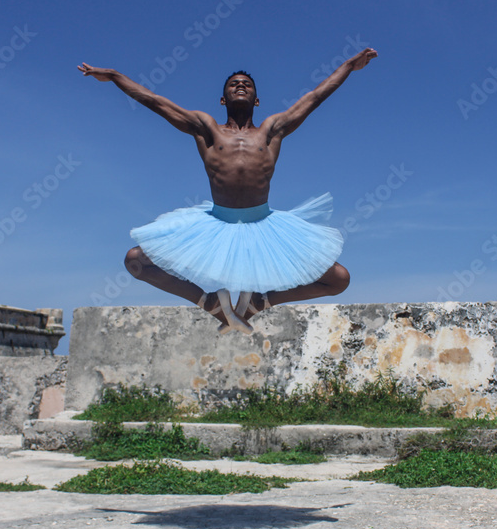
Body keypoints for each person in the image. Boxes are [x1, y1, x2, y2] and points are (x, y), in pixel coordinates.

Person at [78, 47, 378, 334]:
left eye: (246, 84)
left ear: (257, 99)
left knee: (339, 279)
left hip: (264, 225)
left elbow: (314, 97)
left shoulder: (271, 130)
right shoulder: (206, 128)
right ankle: (210, 302)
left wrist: (349, 66)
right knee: (135, 261)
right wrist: (116, 76)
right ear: (222, 99)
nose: (240, 86)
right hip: (216, 224)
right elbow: (155, 101)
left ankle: (261, 301)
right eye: (233, 84)